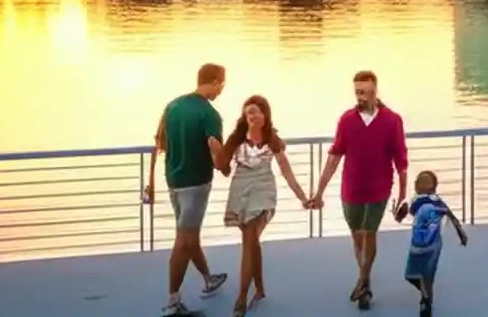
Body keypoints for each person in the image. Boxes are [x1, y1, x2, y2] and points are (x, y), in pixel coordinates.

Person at [310, 70, 409, 311]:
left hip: (379, 189)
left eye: (365, 92)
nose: (361, 97)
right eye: (357, 92)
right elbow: (334, 157)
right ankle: (364, 278)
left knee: (369, 234)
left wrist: (402, 194)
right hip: (351, 188)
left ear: (375, 91)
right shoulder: (346, 120)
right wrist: (319, 191)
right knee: (357, 236)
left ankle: (363, 283)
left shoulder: (392, 120)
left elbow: (401, 159)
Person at [144, 63, 231, 317]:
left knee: (189, 235)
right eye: (222, 85)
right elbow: (216, 150)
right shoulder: (209, 114)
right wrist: (225, 167)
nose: (221, 90)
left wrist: (150, 182)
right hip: (196, 183)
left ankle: (208, 278)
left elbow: (159, 143)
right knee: (184, 240)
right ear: (214, 82)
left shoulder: (173, 106)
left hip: (174, 180)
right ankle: (173, 300)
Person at [220, 96, 312, 316]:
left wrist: (302, 197)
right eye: (248, 112)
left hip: (263, 193)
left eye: (256, 111)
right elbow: (222, 164)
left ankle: (242, 296)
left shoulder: (272, 139)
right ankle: (260, 289)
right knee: (252, 242)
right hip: (240, 193)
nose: (252, 115)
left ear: (265, 115)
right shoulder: (236, 139)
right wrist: (214, 149)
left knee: (249, 239)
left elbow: (286, 170)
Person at [395, 170, 467, 317]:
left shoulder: (437, 203)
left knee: (428, 276)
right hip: (417, 245)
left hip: (433, 246)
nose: (424, 185)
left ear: (434, 187)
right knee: (411, 275)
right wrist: (398, 212)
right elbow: (401, 215)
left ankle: (426, 303)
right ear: (416, 186)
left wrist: (461, 233)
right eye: (421, 182)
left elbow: (452, 217)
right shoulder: (415, 202)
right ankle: (425, 294)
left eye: (427, 183)